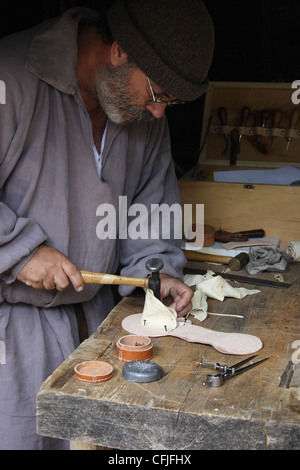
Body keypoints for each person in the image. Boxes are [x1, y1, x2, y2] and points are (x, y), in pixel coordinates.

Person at [0, 0, 214, 450]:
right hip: (13, 337)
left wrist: (158, 273)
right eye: (158, 95)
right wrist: (18, 252)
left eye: (169, 103)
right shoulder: (11, 79)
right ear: (118, 51)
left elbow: (150, 207)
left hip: (100, 325)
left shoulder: (142, 113)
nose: (160, 113)